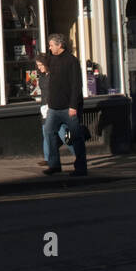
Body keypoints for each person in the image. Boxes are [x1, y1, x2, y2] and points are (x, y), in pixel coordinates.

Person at [42, 34, 87, 176]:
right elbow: (42, 63)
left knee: (76, 137)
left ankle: (80, 167)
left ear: (59, 45)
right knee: (49, 133)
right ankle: (54, 164)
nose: (49, 48)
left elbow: (76, 85)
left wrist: (73, 106)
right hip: (53, 108)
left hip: (68, 107)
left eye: (51, 45)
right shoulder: (52, 59)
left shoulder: (71, 61)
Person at [34, 54, 71, 166]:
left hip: (54, 106)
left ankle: (78, 151)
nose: (39, 68)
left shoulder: (54, 76)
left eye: (41, 65)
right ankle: (48, 157)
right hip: (44, 108)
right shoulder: (43, 76)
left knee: (62, 133)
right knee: (46, 132)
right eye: (38, 66)